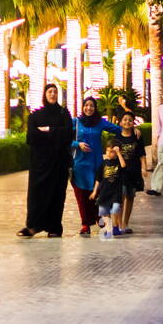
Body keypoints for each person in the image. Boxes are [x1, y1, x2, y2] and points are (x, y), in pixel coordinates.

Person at [19, 83, 73, 238]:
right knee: (36, 195)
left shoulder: (64, 114)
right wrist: (56, 134)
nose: (53, 94)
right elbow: (31, 137)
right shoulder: (35, 116)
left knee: (56, 195)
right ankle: (32, 227)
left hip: (58, 164)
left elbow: (68, 135)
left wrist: (48, 130)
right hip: (40, 165)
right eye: (50, 91)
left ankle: (54, 227)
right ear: (45, 94)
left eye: (55, 92)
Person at [71, 96, 122, 237]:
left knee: (99, 193)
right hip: (80, 165)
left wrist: (132, 130)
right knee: (82, 196)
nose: (89, 108)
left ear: (95, 108)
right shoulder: (76, 122)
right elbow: (63, 138)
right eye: (86, 105)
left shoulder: (99, 122)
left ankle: (98, 217)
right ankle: (85, 224)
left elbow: (118, 129)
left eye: (92, 105)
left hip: (97, 165)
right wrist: (77, 144)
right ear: (82, 107)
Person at [112, 110, 146, 234]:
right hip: (120, 173)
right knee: (120, 198)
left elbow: (142, 154)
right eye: (125, 120)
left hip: (134, 172)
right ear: (120, 122)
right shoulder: (116, 138)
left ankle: (126, 223)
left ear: (133, 123)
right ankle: (119, 224)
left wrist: (144, 168)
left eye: (130, 120)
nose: (127, 122)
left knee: (130, 197)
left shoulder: (137, 137)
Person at [92, 144, 126, 238]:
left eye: (111, 151)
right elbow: (98, 179)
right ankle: (109, 228)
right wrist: (95, 191)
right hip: (104, 191)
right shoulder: (103, 164)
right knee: (104, 212)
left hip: (116, 191)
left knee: (115, 209)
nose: (109, 153)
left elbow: (123, 165)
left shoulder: (118, 162)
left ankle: (115, 227)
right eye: (107, 151)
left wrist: (118, 152)